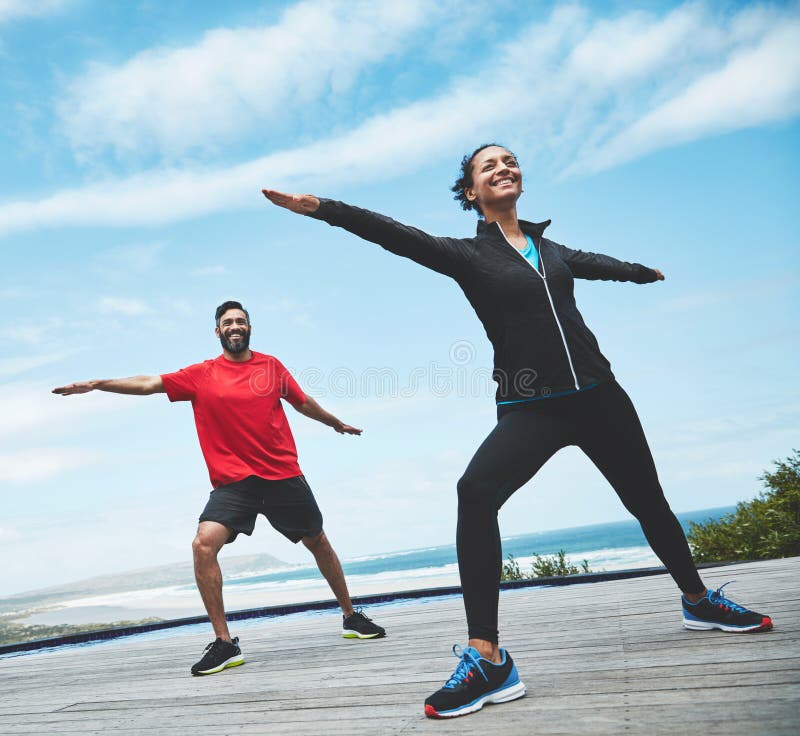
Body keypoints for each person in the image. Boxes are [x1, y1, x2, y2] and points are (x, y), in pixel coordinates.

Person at [261, 144, 773, 718]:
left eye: (510, 161)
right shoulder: (464, 255)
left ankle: (698, 601)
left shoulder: (551, 249)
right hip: (533, 405)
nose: (504, 168)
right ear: (471, 193)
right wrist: (321, 207)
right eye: (488, 166)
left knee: (649, 503)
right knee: (475, 493)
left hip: (603, 398)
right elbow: (393, 233)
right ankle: (489, 657)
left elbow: (596, 263)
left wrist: (638, 273)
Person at [53, 300, 385, 676]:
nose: (235, 326)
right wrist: (98, 385)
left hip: (282, 475)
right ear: (217, 332)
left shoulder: (271, 366)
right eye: (228, 322)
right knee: (202, 544)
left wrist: (335, 423)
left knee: (318, 541)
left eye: (241, 321)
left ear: (249, 329)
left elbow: (303, 402)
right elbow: (149, 383)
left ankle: (350, 616)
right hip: (235, 483)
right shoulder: (201, 375)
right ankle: (225, 644)